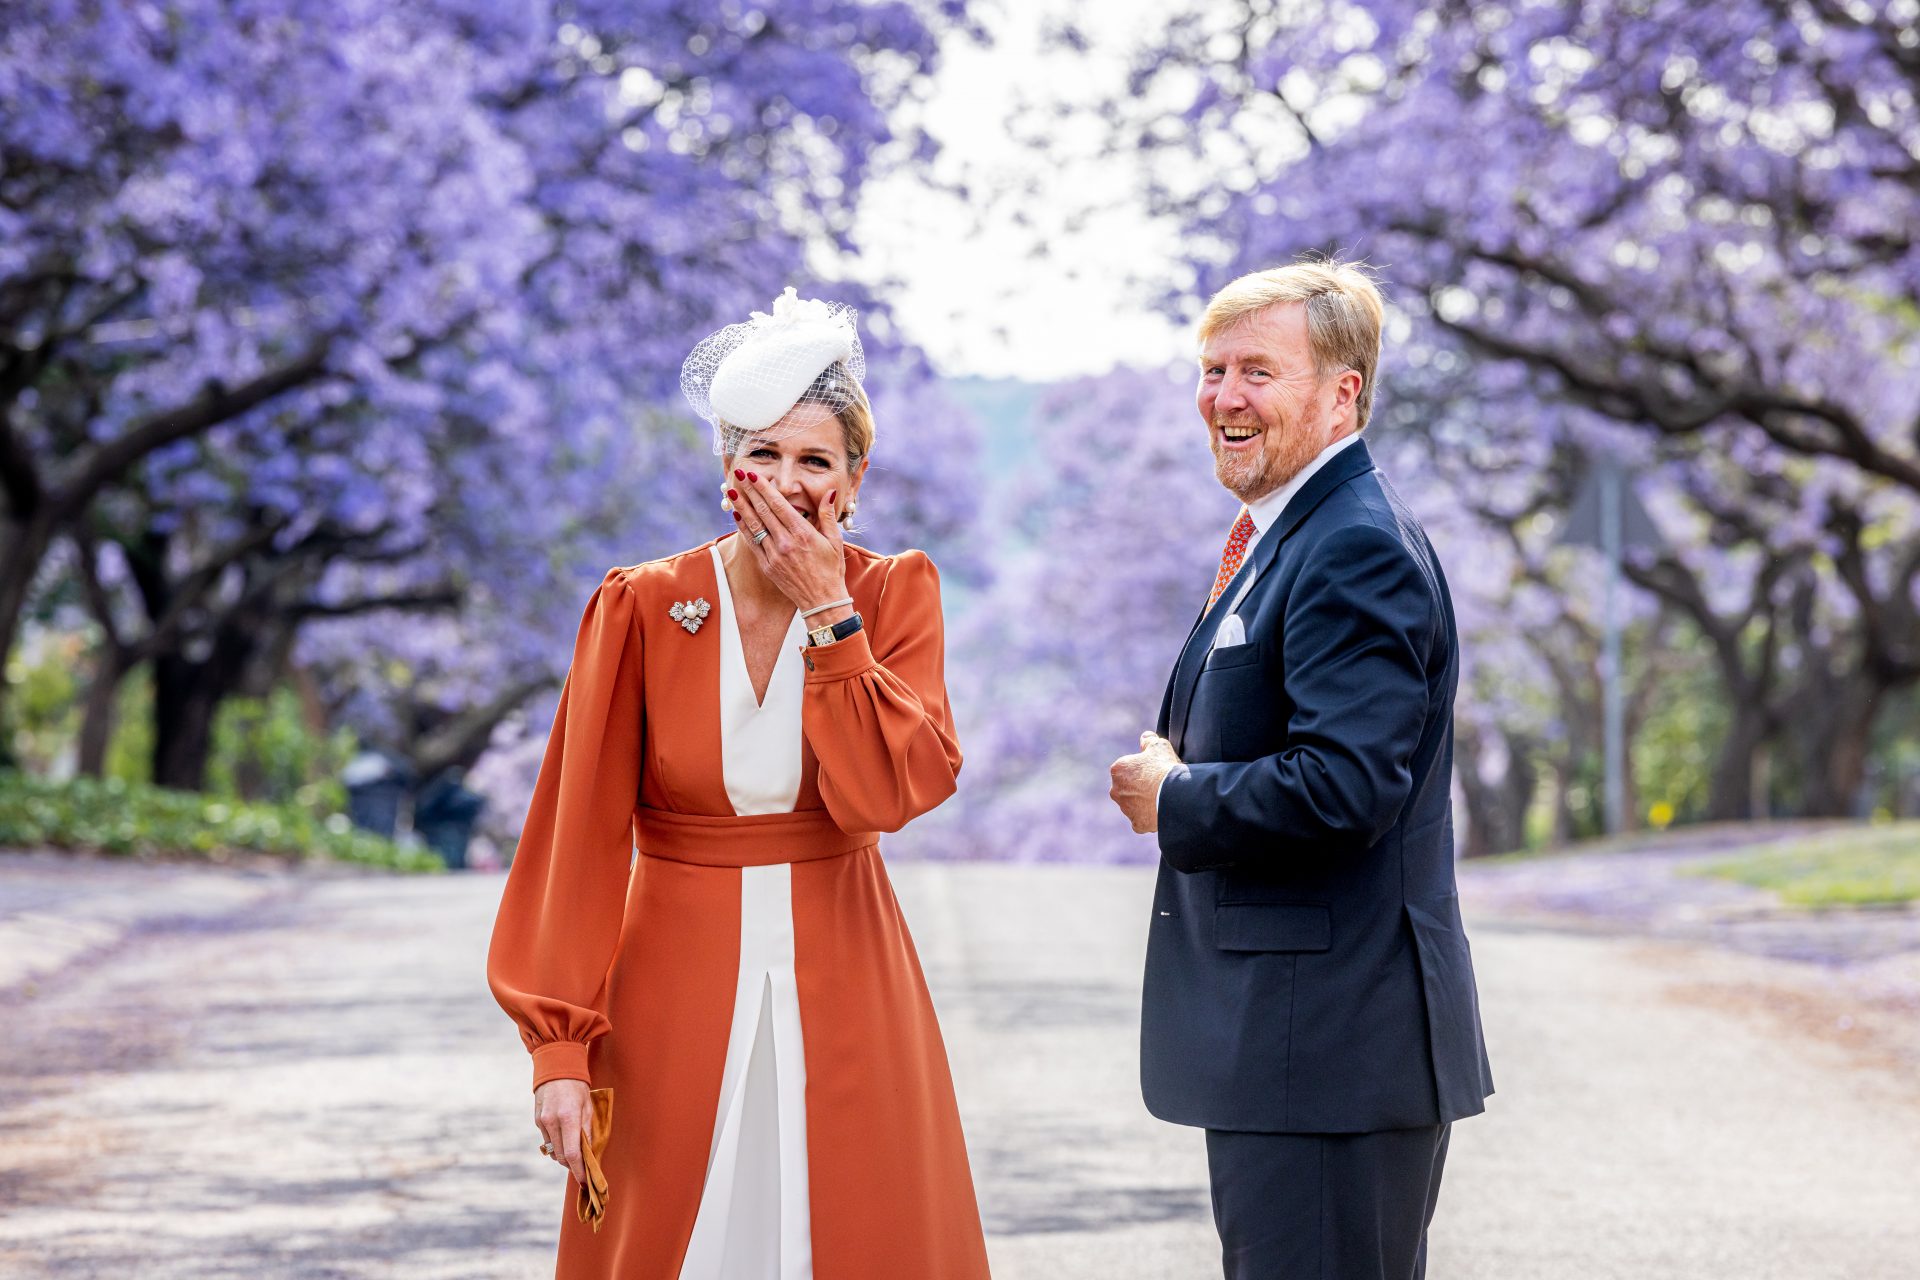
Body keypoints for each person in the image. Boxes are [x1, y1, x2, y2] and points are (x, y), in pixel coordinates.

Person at [488, 288, 991, 1279]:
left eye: (815, 461)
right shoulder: (640, 604)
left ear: (853, 481)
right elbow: (573, 836)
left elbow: (891, 792)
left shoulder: (895, 594)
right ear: (728, 468)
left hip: (850, 969)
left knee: (854, 1232)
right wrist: (559, 1047)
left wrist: (829, 612)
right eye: (763, 454)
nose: (788, 482)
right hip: (670, 979)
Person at [1108, 259, 1494, 1279]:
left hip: (1329, 1052)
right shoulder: (1290, 536)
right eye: (1212, 368)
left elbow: (1346, 784)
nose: (1225, 397)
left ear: (1341, 393)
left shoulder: (1352, 546)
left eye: (1257, 371)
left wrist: (1176, 795)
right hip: (1296, 1056)